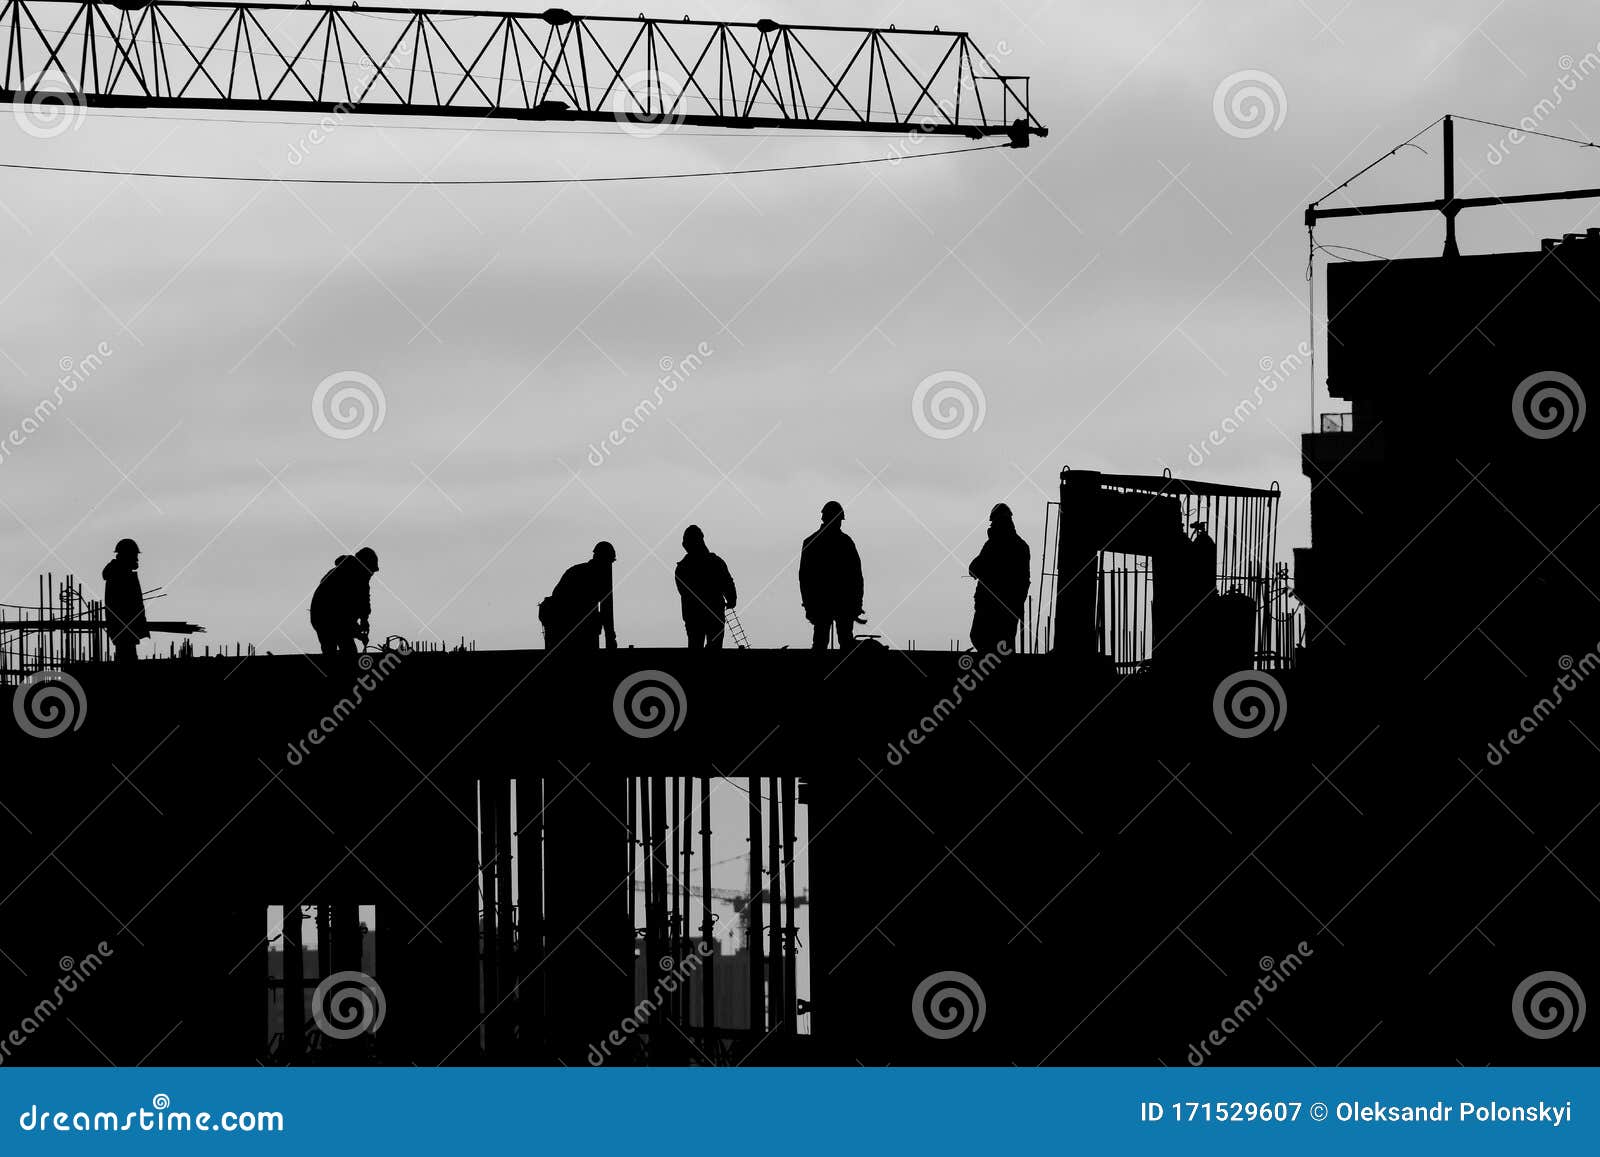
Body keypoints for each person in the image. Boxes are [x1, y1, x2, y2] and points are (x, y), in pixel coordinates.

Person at [799, 500, 863, 651]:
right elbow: (856, 577)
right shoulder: (846, 543)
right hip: (839, 603)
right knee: (844, 643)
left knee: (821, 644)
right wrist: (857, 603)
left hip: (823, 603)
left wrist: (808, 604)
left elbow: (804, 578)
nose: (839, 523)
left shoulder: (811, 542)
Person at [969, 503, 1030, 654]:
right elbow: (1025, 580)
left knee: (980, 637)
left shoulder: (993, 545)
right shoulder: (1021, 546)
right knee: (1004, 647)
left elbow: (974, 568)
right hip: (1011, 607)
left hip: (989, 607)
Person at [543, 542, 618, 650]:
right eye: (609, 562)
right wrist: (610, 638)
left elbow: (606, 611)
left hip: (564, 629)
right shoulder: (593, 577)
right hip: (564, 629)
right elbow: (605, 612)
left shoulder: (577, 571)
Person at [674, 526, 737, 649]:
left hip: (694, 617)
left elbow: (684, 593)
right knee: (712, 649)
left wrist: (731, 598)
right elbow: (727, 583)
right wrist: (731, 598)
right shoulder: (715, 562)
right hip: (711, 615)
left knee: (696, 649)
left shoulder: (682, 568)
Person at [309, 547, 379, 658]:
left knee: (339, 651)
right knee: (344, 652)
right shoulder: (346, 577)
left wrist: (364, 620)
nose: (372, 574)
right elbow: (340, 616)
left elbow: (363, 602)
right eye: (371, 570)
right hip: (324, 619)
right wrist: (357, 632)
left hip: (325, 618)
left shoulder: (360, 580)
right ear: (364, 566)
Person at [102, 537, 149, 663]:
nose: (137, 559)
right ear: (126, 555)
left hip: (125, 629)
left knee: (126, 658)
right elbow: (129, 605)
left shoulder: (119, 573)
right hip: (125, 629)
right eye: (134, 555)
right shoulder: (120, 576)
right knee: (127, 661)